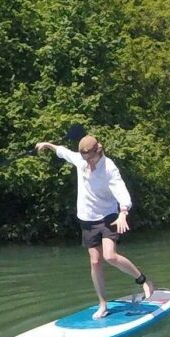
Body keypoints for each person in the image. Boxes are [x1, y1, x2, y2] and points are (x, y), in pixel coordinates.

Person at [35, 134, 155, 319]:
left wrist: (123, 212)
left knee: (110, 256)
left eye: (90, 158)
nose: (88, 162)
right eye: (85, 158)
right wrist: (47, 145)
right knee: (95, 261)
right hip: (87, 218)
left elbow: (121, 190)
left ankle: (143, 280)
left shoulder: (109, 168)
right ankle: (102, 304)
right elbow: (63, 152)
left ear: (97, 152)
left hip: (108, 216)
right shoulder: (80, 160)